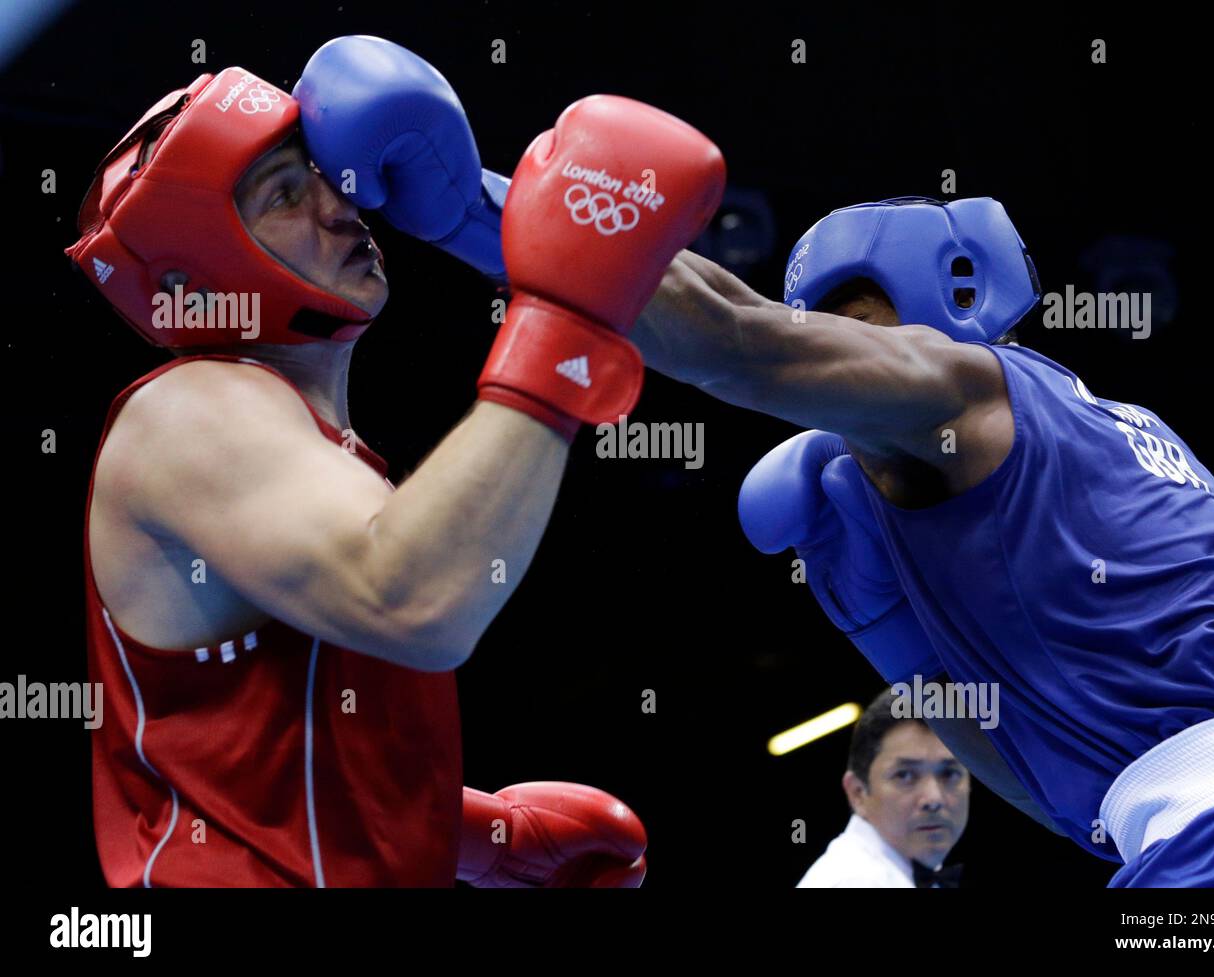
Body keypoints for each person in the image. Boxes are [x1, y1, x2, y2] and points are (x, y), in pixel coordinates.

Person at [67, 35, 723, 887]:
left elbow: (247, 764)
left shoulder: (318, 454)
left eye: (322, 176)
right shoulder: (187, 408)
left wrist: (470, 837)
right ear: (200, 273)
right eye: (282, 197)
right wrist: (566, 315)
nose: (341, 206)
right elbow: (414, 600)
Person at [630, 197, 1214, 887]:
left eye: (855, 331)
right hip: (1206, 842)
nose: (832, 380)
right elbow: (1075, 806)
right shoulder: (1134, 430)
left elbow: (735, 336)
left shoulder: (969, 385)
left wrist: (545, 234)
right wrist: (899, 644)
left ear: (946, 307)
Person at [798, 688, 969, 888]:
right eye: (905, 775)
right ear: (858, 793)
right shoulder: (858, 881)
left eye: (949, 774)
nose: (933, 799)